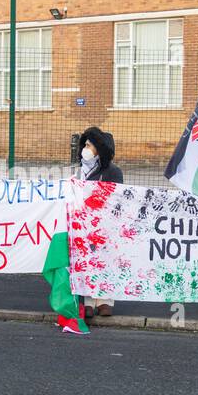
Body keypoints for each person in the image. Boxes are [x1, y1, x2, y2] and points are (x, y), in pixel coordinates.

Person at [76, 127, 123, 318]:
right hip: (84, 224)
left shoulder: (113, 171)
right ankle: (87, 301)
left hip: (105, 225)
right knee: (86, 261)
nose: (84, 149)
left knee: (105, 261)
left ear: (99, 149)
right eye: (84, 145)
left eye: (89, 145)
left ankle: (104, 301)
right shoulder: (81, 171)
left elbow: (117, 197)